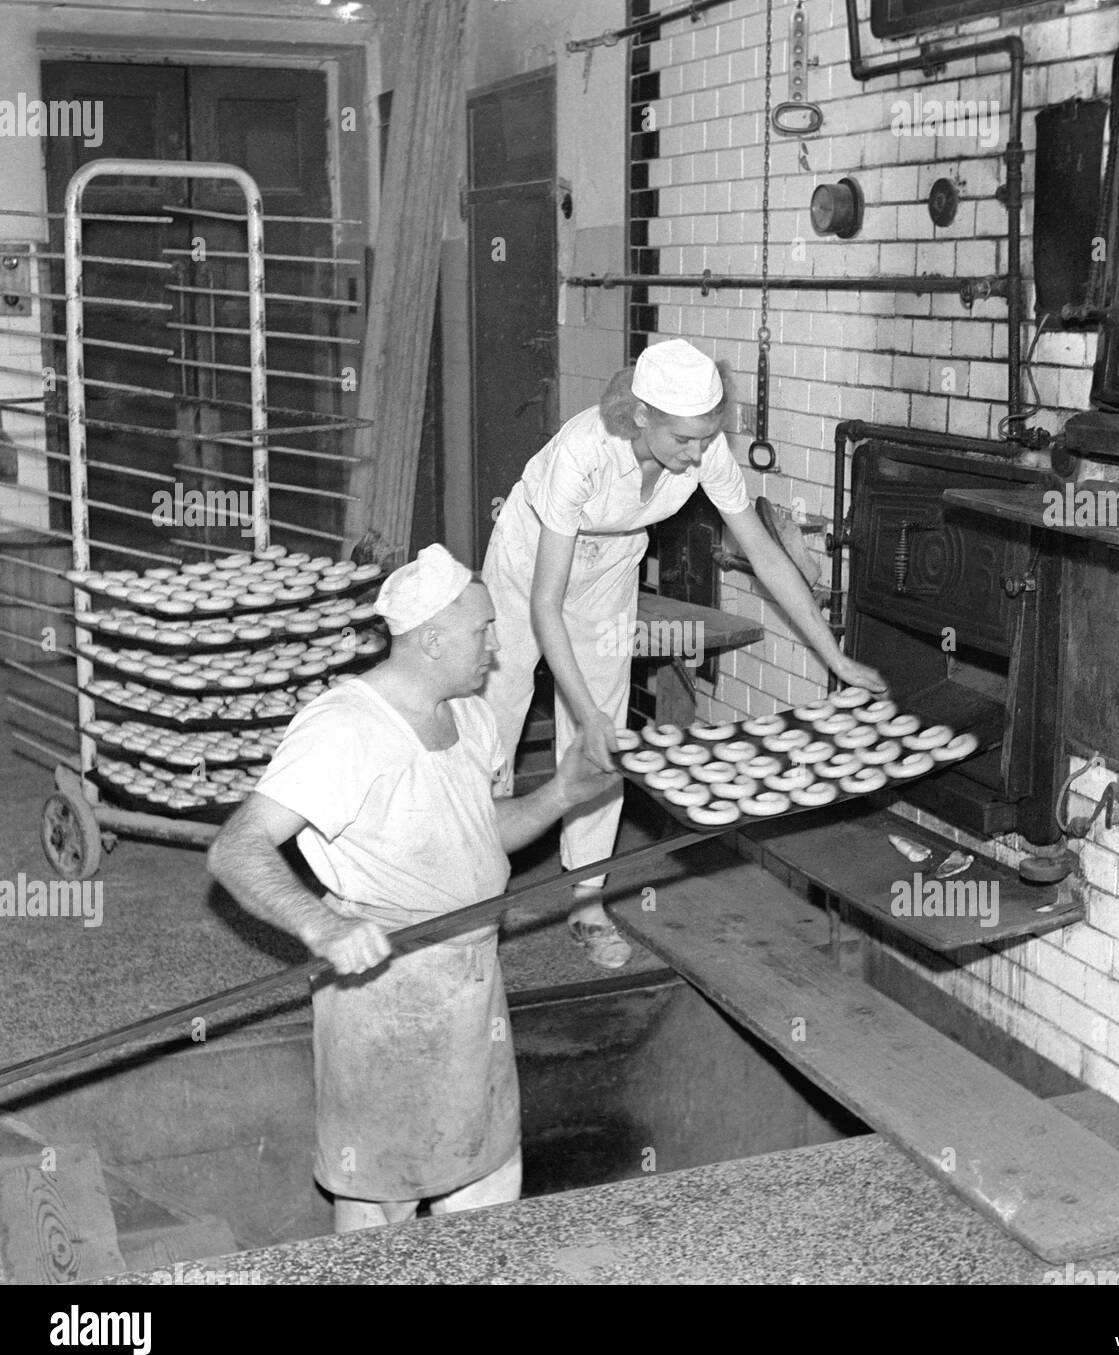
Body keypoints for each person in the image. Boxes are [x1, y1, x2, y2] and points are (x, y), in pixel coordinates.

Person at [207, 544, 608, 1234]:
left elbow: (479, 834)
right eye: (483, 629)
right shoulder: (346, 727)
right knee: (382, 1203)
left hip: (473, 987)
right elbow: (235, 846)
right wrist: (322, 926)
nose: (496, 644)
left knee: (483, 1187)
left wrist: (559, 796)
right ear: (431, 640)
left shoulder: (472, 713)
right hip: (385, 990)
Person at [482, 338, 887, 970]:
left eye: (708, 437)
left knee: (605, 734)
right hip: (531, 560)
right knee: (497, 718)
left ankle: (587, 901)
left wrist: (833, 657)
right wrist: (578, 710)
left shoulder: (707, 452)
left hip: (612, 564)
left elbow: (763, 554)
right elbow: (544, 604)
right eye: (686, 440)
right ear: (642, 416)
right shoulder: (581, 455)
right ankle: (478, 883)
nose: (698, 454)